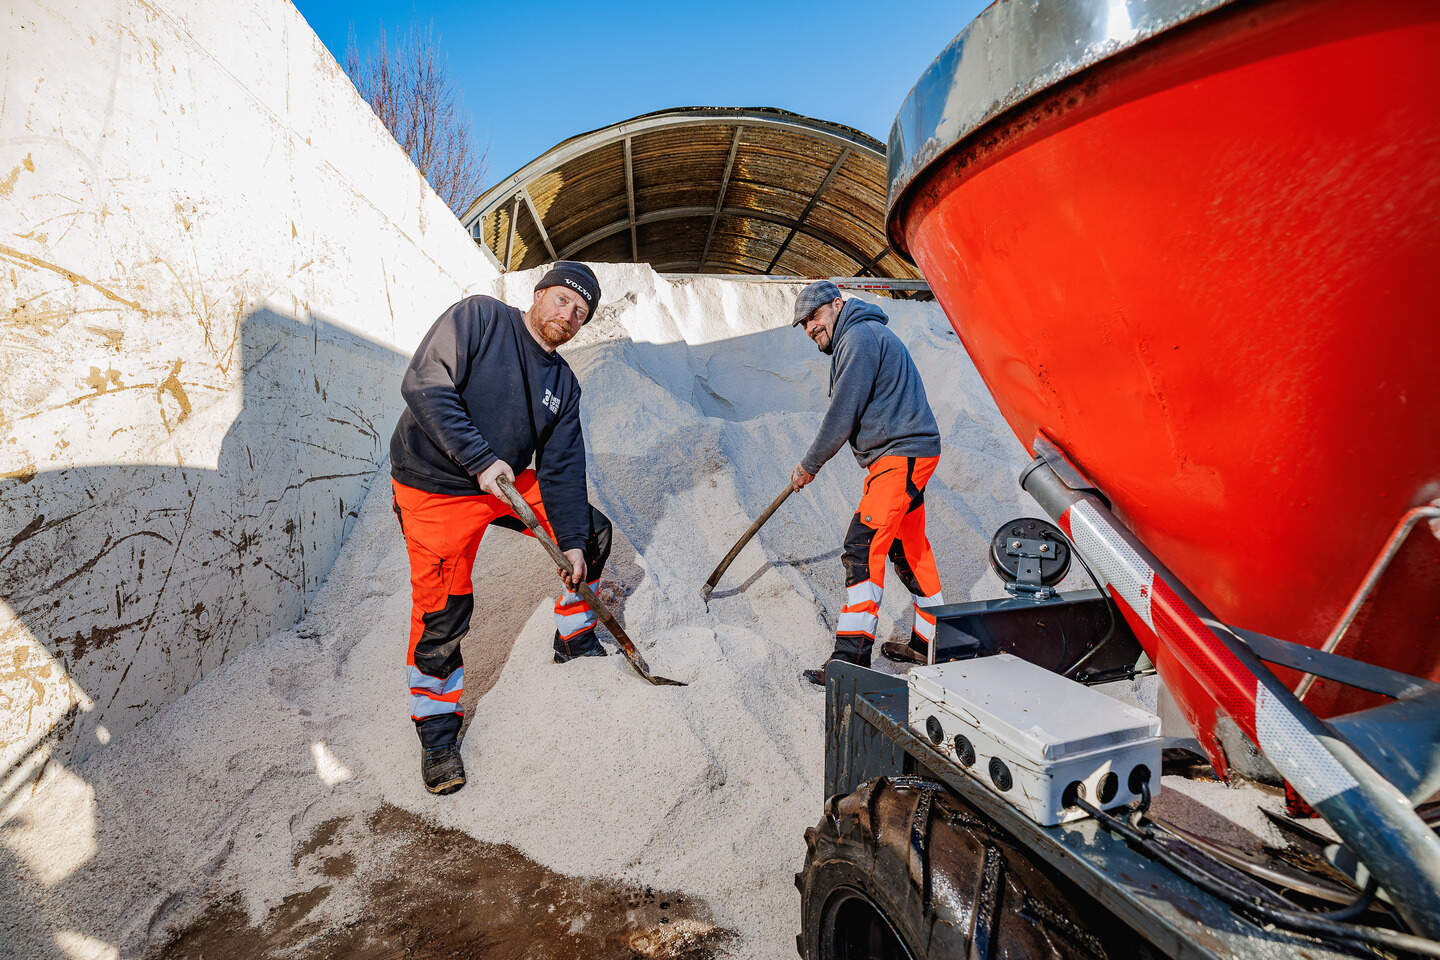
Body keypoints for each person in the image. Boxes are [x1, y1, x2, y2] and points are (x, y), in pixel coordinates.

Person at [388, 262, 613, 795]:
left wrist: (573, 542)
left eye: (581, 312)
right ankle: (438, 732)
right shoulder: (480, 318)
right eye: (562, 300)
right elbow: (425, 382)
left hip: (503, 479)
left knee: (590, 532)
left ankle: (575, 639)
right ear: (537, 295)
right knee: (444, 609)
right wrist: (479, 458)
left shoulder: (563, 383)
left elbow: (561, 468)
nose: (569, 314)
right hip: (437, 483)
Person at [788, 280, 946, 685]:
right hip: (899, 456)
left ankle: (851, 661)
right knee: (910, 550)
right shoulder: (860, 335)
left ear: (837, 305)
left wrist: (810, 464)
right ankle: (933, 644)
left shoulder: (858, 337)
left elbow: (843, 412)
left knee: (862, 545)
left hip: (902, 455)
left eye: (814, 316)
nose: (810, 328)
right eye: (803, 323)